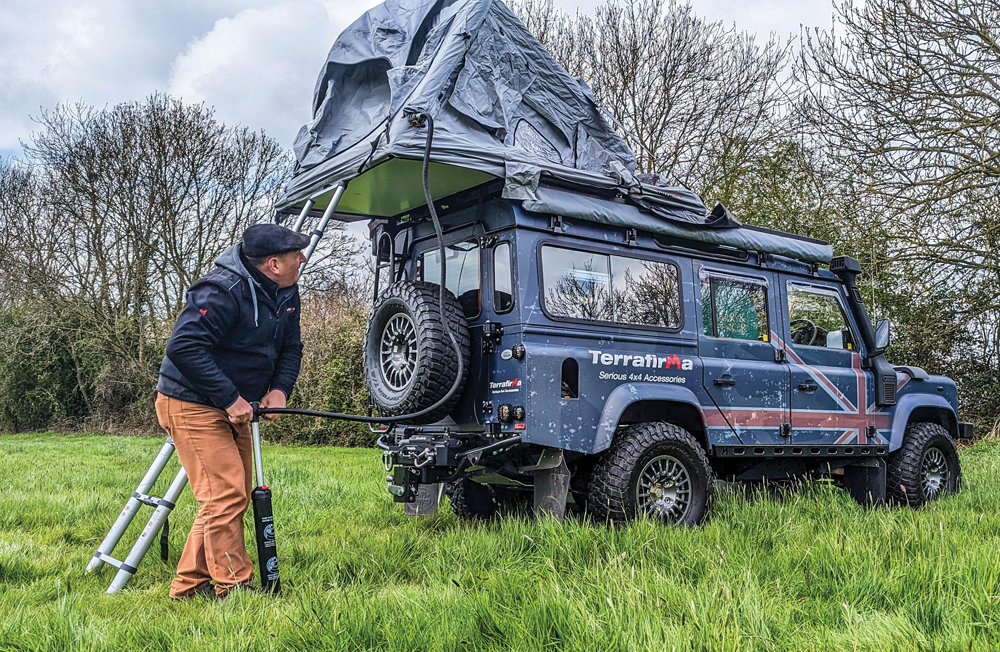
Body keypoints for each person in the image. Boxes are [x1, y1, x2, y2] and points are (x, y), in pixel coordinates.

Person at [155, 224, 309, 599]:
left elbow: (291, 348)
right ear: (273, 264)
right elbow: (185, 348)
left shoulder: (286, 291)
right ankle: (234, 588)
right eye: (296, 256)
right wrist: (229, 398)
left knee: (229, 495)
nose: (302, 259)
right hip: (192, 402)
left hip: (237, 406)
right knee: (225, 496)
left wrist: (279, 390)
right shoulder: (221, 290)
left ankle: (189, 586)